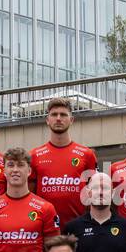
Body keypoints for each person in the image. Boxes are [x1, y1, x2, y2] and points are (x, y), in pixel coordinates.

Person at [29, 97, 97, 228]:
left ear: (71, 120)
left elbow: (93, 195)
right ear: (47, 120)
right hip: (45, 228)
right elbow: (30, 197)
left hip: (79, 228)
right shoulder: (34, 155)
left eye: (63, 115)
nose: (58, 118)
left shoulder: (87, 154)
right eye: (54, 115)